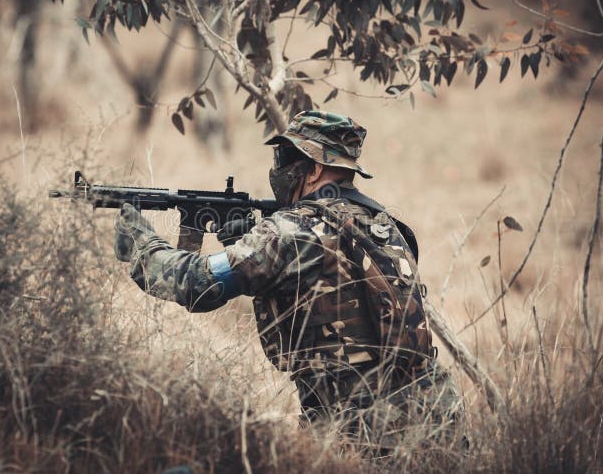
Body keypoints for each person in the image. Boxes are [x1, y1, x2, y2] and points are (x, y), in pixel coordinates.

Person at [114, 110, 462, 455]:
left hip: (360, 435)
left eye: (284, 157)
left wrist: (143, 244)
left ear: (313, 170)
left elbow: (195, 284)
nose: (278, 169)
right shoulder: (387, 226)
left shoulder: (290, 232)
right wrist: (249, 245)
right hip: (436, 418)